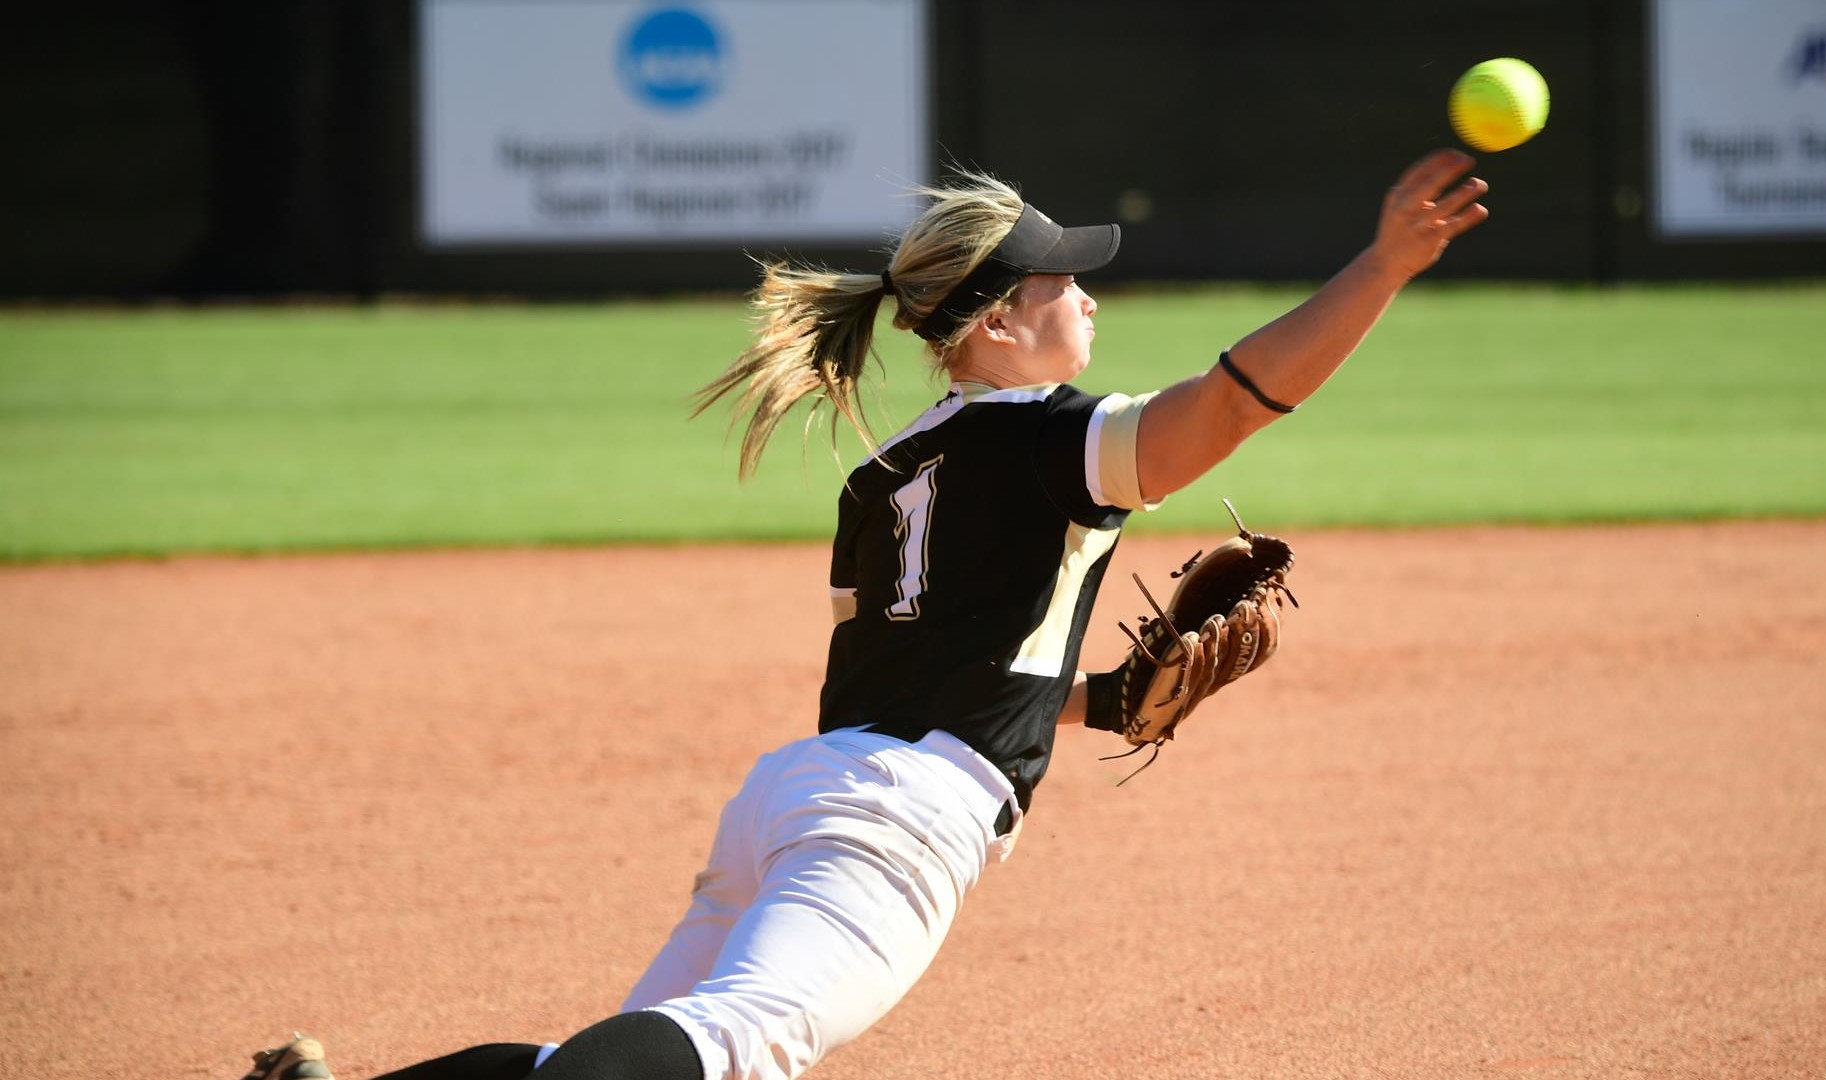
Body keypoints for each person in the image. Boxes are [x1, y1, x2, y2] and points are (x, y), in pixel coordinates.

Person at [242, 148, 1488, 1080]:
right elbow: (1229, 406)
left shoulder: (889, 471)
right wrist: (1381, 269)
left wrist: (1098, 700)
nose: (1088, 297)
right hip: (894, 828)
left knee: (627, 1057)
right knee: (731, 1043)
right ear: (998, 321)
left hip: (800, 795)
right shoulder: (1054, 442)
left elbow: (942, 663)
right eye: (1063, 280)